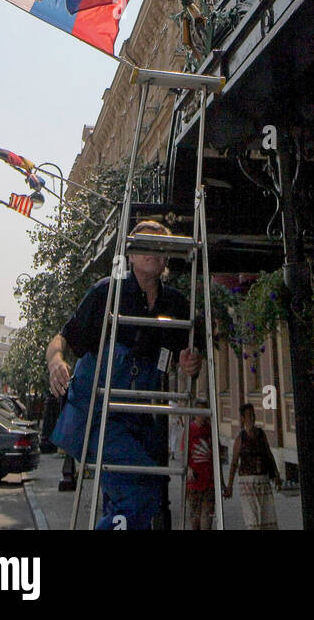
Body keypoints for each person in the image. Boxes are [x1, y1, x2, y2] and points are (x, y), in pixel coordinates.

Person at [46, 219, 203, 530]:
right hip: (98, 412)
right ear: (130, 256)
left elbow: (190, 355)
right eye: (145, 244)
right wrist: (55, 361)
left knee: (126, 497)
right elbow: (63, 337)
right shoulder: (107, 293)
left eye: (162, 246)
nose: (154, 251)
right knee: (142, 489)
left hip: (142, 418)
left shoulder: (176, 303)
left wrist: (191, 363)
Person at [224, 402, 281, 530]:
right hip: (247, 482)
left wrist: (276, 474)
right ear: (243, 418)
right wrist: (229, 486)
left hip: (263, 481)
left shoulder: (261, 434)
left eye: (253, 415)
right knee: (253, 520)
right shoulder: (240, 438)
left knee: (266, 518)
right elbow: (234, 463)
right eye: (249, 415)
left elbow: (268, 454)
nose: (252, 418)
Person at [186, 400, 215, 531]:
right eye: (200, 412)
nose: (203, 416)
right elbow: (184, 453)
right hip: (194, 482)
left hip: (209, 482)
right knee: (195, 519)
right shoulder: (190, 430)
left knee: (206, 520)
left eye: (205, 412)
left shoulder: (211, 430)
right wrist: (188, 469)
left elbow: (216, 455)